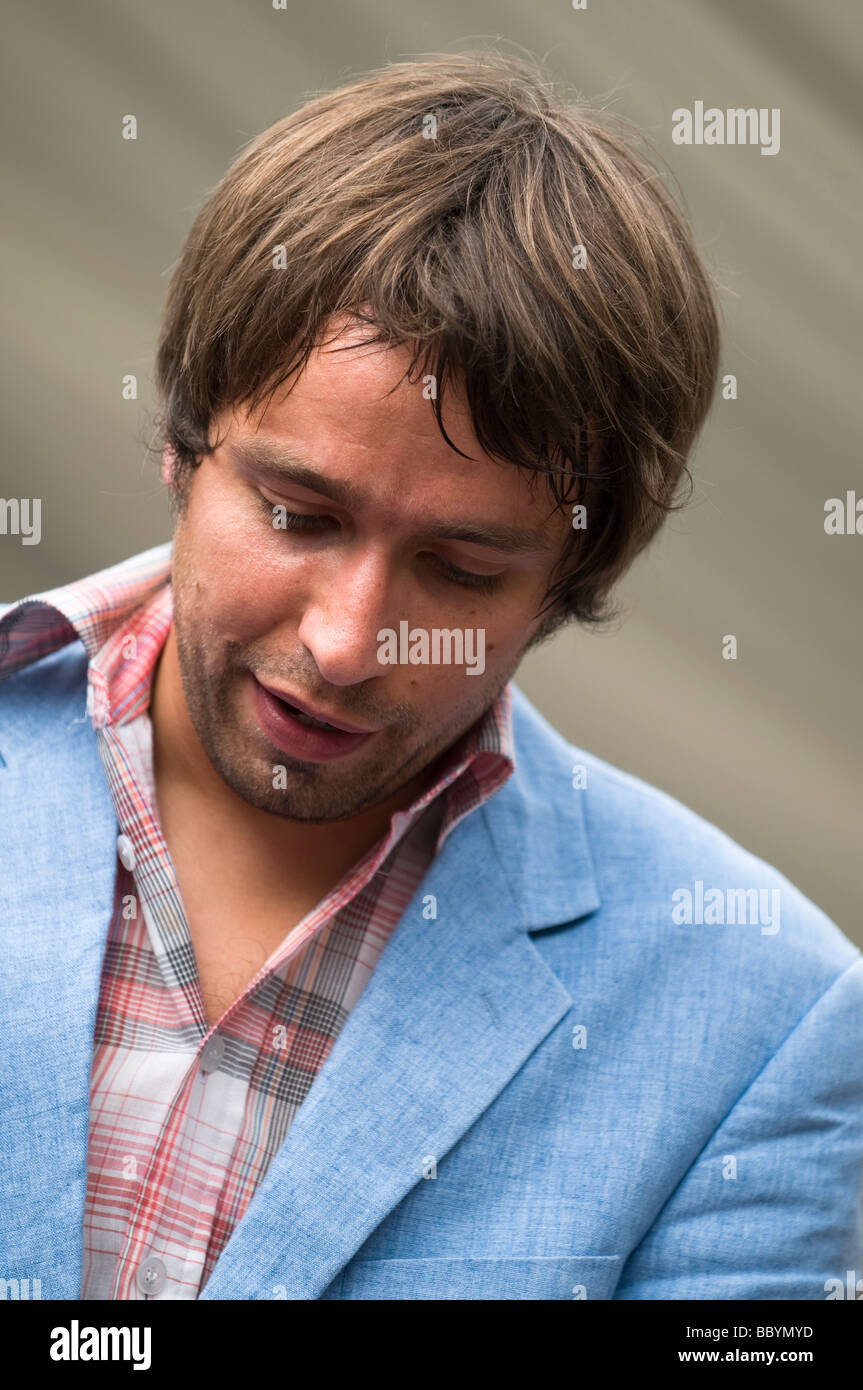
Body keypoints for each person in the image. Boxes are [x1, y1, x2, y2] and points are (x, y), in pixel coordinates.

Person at [1, 52, 860, 1303]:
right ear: (186, 451)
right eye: (296, 516)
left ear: (562, 588)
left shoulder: (761, 1021)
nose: (350, 642)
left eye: (458, 572)